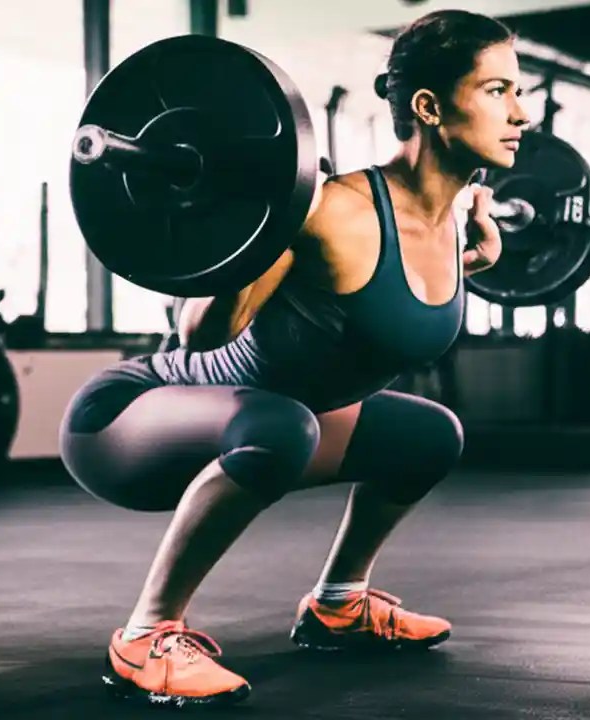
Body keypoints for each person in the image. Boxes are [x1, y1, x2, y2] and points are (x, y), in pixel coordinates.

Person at [59, 10, 527, 707]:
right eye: (497, 91)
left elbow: (385, 301)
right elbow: (199, 332)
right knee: (283, 426)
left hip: (267, 423)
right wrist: (265, 214)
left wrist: (475, 256)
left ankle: (339, 604)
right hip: (128, 422)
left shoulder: (449, 223)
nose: (520, 113)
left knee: (429, 435)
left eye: (517, 91)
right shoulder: (331, 210)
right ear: (429, 107)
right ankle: (146, 636)